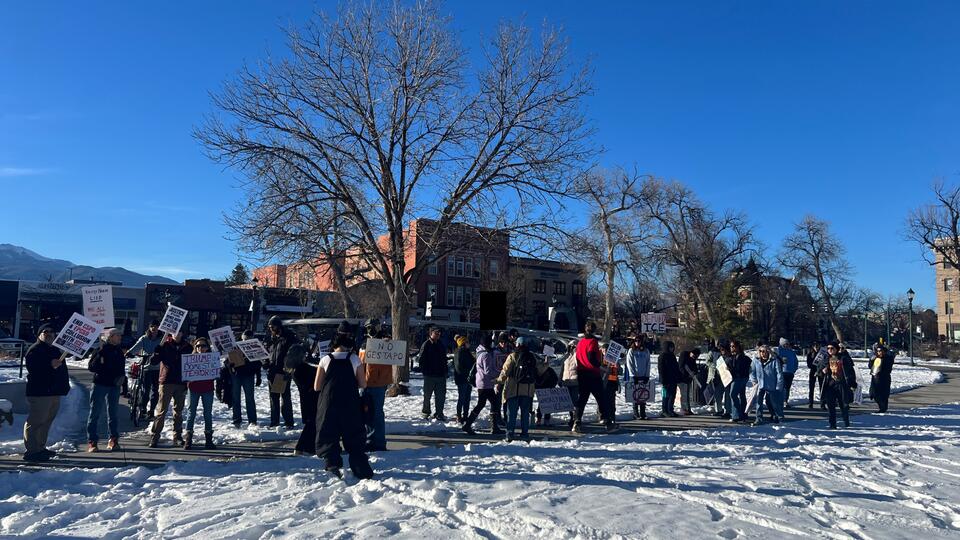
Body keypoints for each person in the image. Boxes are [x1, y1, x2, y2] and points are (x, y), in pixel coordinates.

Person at [313, 333, 374, 479]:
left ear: (334, 345)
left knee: (328, 433)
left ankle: (332, 465)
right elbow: (363, 383)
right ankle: (361, 469)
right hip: (350, 403)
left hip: (329, 402)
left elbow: (316, 386)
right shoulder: (354, 359)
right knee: (354, 435)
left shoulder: (325, 359)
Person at [22, 324, 69, 462]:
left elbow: (61, 370)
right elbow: (33, 369)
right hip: (40, 392)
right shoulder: (34, 350)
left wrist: (63, 386)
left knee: (46, 422)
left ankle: (40, 448)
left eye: (51, 332)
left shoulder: (55, 350)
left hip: (53, 392)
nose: (49, 334)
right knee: (36, 421)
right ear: (39, 335)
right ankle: (31, 451)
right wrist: (49, 364)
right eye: (45, 332)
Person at [149, 329, 193, 448]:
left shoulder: (188, 347)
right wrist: (157, 352)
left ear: (182, 333)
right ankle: (155, 436)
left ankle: (177, 436)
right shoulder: (165, 346)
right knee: (161, 411)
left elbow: (193, 364)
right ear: (170, 334)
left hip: (181, 382)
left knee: (178, 411)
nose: (177, 335)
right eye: (175, 332)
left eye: (179, 332)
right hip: (166, 381)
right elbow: (153, 362)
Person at [86, 328, 126, 452]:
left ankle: (113, 439)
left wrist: (124, 384)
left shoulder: (119, 351)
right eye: (117, 335)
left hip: (114, 385)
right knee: (95, 413)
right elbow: (91, 367)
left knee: (113, 413)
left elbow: (121, 369)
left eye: (120, 335)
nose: (120, 337)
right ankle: (92, 441)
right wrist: (99, 356)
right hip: (100, 384)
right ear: (111, 337)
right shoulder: (100, 350)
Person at [573, 322, 615, 432]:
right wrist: (600, 366)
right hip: (592, 374)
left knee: (582, 399)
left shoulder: (580, 342)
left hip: (582, 373)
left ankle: (577, 421)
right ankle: (606, 420)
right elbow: (591, 357)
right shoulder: (593, 341)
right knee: (601, 398)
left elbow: (577, 357)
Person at [496, 336, 538, 442]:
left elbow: (505, 371)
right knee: (524, 413)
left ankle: (510, 433)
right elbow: (540, 369)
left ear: (517, 344)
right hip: (528, 390)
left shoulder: (513, 356)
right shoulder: (532, 357)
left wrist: (499, 381)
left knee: (512, 413)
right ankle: (524, 433)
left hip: (513, 389)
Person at [462, 334, 504, 435]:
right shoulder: (486, 355)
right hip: (486, 383)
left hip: (482, 382)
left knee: (482, 404)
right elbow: (488, 371)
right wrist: (499, 375)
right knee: (493, 403)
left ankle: (468, 425)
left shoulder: (480, 352)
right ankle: (493, 427)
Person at [360, 319, 392, 452]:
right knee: (367, 414)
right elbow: (361, 363)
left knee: (377, 413)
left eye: (373, 327)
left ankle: (378, 442)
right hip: (366, 383)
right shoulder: (363, 343)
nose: (371, 329)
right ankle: (370, 439)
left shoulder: (386, 341)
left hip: (379, 384)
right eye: (369, 327)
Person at [126, 320, 163, 420]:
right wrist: (129, 352)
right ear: (149, 328)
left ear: (159, 327)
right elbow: (136, 347)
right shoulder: (144, 338)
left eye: (156, 326)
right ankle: (143, 409)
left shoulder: (161, 339)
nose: (154, 329)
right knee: (145, 390)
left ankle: (151, 410)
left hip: (158, 368)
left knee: (155, 390)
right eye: (152, 326)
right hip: (146, 367)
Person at [184, 337, 217, 450]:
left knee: (207, 413)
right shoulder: (190, 359)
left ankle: (208, 440)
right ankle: (188, 439)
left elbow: (215, 373)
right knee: (191, 413)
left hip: (207, 388)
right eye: (198, 346)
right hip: (193, 388)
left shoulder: (212, 359)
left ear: (207, 347)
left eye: (203, 346)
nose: (200, 348)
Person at [264, 316, 296, 428]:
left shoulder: (288, 338)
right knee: (273, 398)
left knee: (285, 398)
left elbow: (292, 355)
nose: (271, 329)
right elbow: (269, 354)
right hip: (272, 372)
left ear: (278, 326)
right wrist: (265, 362)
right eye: (269, 327)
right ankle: (274, 422)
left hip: (282, 372)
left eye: (272, 326)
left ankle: (288, 422)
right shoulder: (271, 339)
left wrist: (287, 370)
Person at [818, 341, 857, 429]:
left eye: (832, 348)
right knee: (830, 405)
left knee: (843, 404)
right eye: (828, 348)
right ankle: (832, 424)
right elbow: (819, 371)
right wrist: (822, 371)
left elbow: (850, 372)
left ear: (837, 349)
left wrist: (852, 383)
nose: (830, 350)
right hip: (830, 385)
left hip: (841, 384)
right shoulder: (826, 359)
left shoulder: (843, 359)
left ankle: (846, 421)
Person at [230, 329, 261, 427]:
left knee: (250, 398)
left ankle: (252, 420)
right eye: (245, 338)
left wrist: (258, 376)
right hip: (237, 375)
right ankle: (237, 419)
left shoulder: (254, 347)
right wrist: (231, 365)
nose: (246, 340)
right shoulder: (235, 347)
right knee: (236, 398)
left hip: (248, 375)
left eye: (249, 338)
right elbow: (229, 360)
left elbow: (258, 363)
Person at [418, 326, 449, 421]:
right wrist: (425, 371)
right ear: (431, 334)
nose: (438, 334)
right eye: (436, 333)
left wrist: (445, 371)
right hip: (429, 375)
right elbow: (421, 359)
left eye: (439, 333)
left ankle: (439, 413)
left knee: (440, 396)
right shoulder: (426, 344)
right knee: (427, 395)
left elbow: (444, 359)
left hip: (440, 375)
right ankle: (426, 412)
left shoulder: (441, 344)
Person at [749, 344, 784, 426]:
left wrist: (779, 385)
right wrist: (754, 381)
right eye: (760, 351)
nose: (762, 353)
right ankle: (759, 418)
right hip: (760, 385)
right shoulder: (755, 360)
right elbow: (751, 371)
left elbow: (779, 374)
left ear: (768, 352)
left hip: (771, 384)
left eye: (764, 351)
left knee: (773, 402)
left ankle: (778, 416)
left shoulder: (774, 360)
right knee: (759, 402)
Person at [625, 335, 651, 420]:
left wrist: (647, 375)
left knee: (642, 394)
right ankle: (636, 413)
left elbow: (648, 363)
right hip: (635, 376)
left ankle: (643, 413)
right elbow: (629, 363)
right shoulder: (631, 350)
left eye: (639, 341)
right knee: (635, 395)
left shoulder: (646, 351)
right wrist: (633, 375)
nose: (637, 342)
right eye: (636, 341)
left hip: (643, 375)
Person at [453, 335, 475, 424]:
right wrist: (469, 372)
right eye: (467, 342)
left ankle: (465, 415)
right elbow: (459, 367)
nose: (468, 344)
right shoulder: (460, 352)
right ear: (463, 343)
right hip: (462, 378)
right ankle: (459, 415)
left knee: (467, 398)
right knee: (462, 398)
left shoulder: (466, 351)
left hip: (467, 379)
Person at [729, 340, 751, 423]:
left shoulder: (741, 357)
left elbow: (738, 368)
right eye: (731, 346)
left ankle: (737, 415)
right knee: (742, 395)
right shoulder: (733, 356)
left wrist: (730, 369)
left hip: (739, 378)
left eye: (733, 346)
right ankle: (744, 414)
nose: (732, 348)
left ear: (738, 347)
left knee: (733, 394)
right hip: (741, 378)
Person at [657, 341, 681, 418]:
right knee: (666, 395)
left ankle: (670, 409)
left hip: (673, 379)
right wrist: (663, 379)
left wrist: (678, 376)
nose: (672, 349)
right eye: (670, 347)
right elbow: (661, 369)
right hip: (666, 379)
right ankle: (665, 411)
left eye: (672, 347)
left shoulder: (672, 356)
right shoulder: (662, 356)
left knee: (672, 395)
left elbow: (676, 367)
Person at [600, 342, 621, 424]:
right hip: (603, 382)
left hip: (613, 381)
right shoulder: (600, 359)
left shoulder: (614, 359)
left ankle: (612, 417)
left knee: (612, 401)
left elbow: (619, 371)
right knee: (603, 401)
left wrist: (617, 366)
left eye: (606, 350)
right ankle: (604, 417)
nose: (604, 352)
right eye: (603, 350)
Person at [870, 343, 895, 413]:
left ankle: (883, 408)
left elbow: (888, 368)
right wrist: (871, 360)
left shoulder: (888, 358)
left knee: (883, 395)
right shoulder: (876, 358)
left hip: (884, 379)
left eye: (880, 351)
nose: (879, 353)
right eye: (878, 351)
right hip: (875, 378)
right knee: (874, 393)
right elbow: (870, 367)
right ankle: (881, 406)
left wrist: (882, 361)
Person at [775, 337, 799, 409]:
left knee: (787, 388)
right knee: (782, 387)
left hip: (790, 373)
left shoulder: (791, 352)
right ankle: (781, 401)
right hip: (782, 372)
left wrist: (794, 369)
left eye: (787, 344)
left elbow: (796, 362)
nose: (786, 345)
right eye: (785, 344)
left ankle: (786, 400)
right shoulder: (779, 351)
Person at [561, 339, 579, 427]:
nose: (572, 348)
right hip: (566, 381)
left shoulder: (577, 356)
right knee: (568, 402)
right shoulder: (566, 356)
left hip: (575, 382)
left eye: (574, 346)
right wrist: (560, 379)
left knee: (574, 401)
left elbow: (578, 364)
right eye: (571, 346)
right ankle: (571, 416)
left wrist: (576, 352)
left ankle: (575, 419)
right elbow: (563, 368)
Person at [678, 349, 700, 415]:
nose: (694, 358)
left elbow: (695, 367)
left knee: (687, 394)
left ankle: (687, 409)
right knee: (684, 394)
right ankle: (684, 409)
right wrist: (687, 375)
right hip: (682, 378)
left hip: (689, 378)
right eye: (694, 356)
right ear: (691, 352)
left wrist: (694, 372)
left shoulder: (693, 358)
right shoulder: (684, 354)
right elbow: (681, 366)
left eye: (696, 357)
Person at [807, 341, 824, 409]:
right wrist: (814, 367)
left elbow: (824, 362)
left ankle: (822, 404)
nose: (816, 348)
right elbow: (809, 364)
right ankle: (810, 403)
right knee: (811, 388)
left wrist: (819, 369)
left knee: (821, 388)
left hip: (820, 371)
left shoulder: (821, 354)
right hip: (813, 371)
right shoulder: (810, 354)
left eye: (817, 346)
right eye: (815, 346)